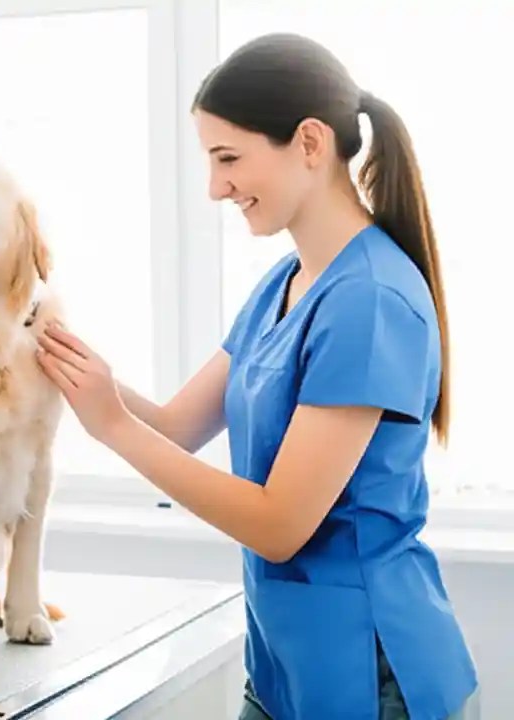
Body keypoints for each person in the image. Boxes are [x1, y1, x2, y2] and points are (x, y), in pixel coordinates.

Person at [35, 33, 478, 720]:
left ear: (308, 143)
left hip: (372, 678)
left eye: (228, 158)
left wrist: (112, 427)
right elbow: (178, 428)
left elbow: (279, 526)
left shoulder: (370, 300)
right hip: (281, 669)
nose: (216, 187)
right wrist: (52, 351)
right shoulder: (289, 281)